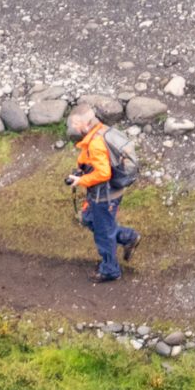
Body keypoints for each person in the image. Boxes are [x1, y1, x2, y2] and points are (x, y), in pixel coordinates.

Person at [66, 107, 138, 282]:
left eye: (76, 124)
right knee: (88, 218)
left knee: (103, 234)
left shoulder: (96, 143)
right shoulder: (102, 131)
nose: (74, 128)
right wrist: (81, 171)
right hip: (109, 190)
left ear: (85, 123)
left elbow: (103, 174)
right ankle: (129, 237)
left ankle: (110, 271)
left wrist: (80, 181)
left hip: (104, 196)